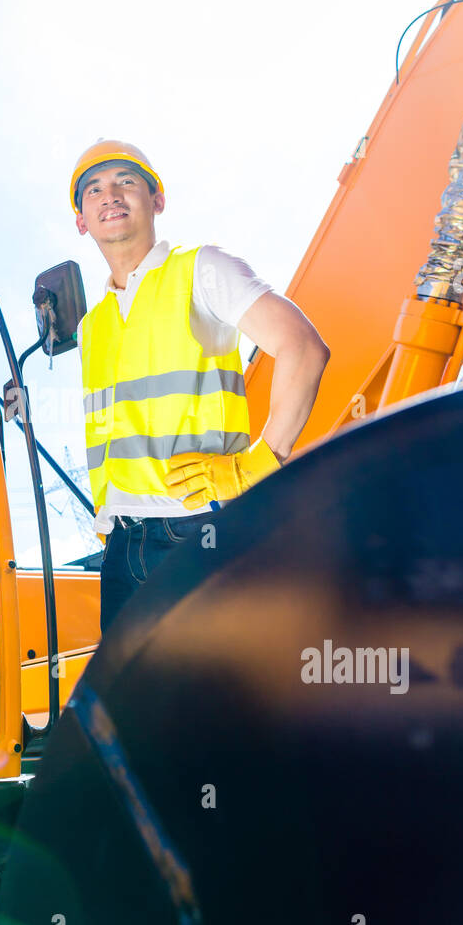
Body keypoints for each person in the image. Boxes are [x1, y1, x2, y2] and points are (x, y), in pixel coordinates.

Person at [71, 139, 330, 634]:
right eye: (94, 190)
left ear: (157, 201)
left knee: (218, 706)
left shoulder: (202, 268)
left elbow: (304, 347)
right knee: (133, 711)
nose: (111, 195)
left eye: (127, 181)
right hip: (122, 547)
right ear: (82, 219)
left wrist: (260, 463)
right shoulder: (92, 325)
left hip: (200, 531)